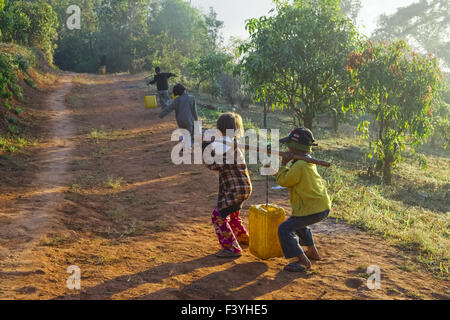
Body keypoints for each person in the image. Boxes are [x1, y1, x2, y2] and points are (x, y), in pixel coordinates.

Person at [275, 128, 331, 272]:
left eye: (288, 145)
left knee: (284, 229)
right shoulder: (307, 162)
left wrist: (282, 164)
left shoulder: (300, 165)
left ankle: (302, 261)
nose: (286, 148)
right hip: (320, 206)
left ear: (293, 148)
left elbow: (284, 181)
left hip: (312, 208)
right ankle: (312, 252)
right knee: (299, 224)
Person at [205, 113, 253, 258]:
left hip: (234, 189)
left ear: (219, 128)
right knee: (232, 215)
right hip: (243, 187)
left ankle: (231, 248)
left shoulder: (223, 146)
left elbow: (214, 166)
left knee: (218, 216)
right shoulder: (233, 142)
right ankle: (244, 238)